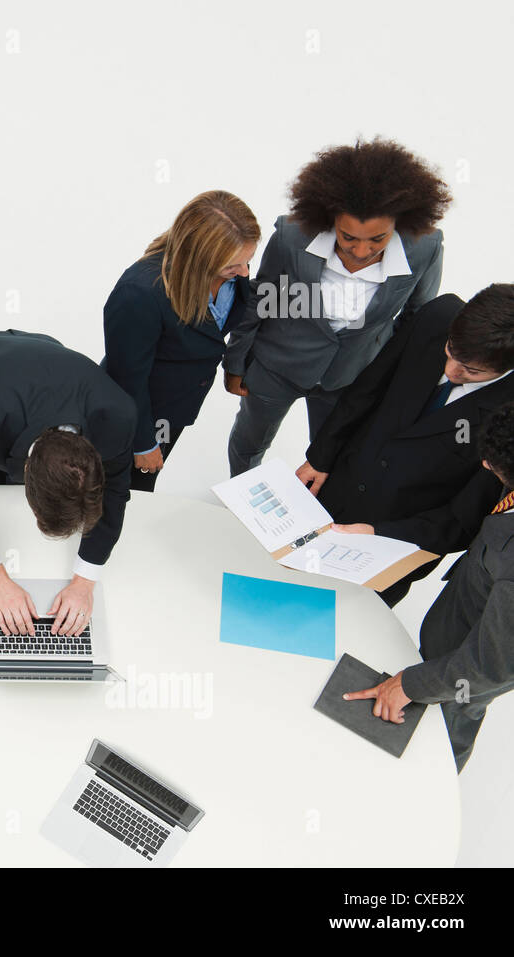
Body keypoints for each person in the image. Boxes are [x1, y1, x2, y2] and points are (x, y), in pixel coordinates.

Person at [225, 138, 452, 475]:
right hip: (276, 367)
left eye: (377, 239)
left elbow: (417, 321)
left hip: (351, 377)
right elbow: (261, 298)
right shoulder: (292, 236)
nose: (361, 252)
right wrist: (235, 362)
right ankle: (240, 495)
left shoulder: (424, 248)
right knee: (250, 441)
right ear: (331, 220)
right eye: (348, 237)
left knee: (333, 456)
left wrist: (385, 378)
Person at [297, 286, 514, 605]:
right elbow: (368, 390)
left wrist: (380, 535)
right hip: (334, 490)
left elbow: (463, 517)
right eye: (450, 351)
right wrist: (320, 457)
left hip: (394, 544)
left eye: (471, 371)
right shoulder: (437, 317)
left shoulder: (508, 416)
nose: (450, 371)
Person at [0, 330, 135, 637]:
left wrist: (85, 583)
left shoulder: (118, 417)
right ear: (26, 470)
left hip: (48, 363)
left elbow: (115, 494)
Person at [346, 403, 514, 772]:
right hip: (462, 629)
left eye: (490, 462)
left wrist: (413, 684)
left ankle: (432, 784)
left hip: (465, 668)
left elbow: (492, 665)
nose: (484, 465)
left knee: (452, 722)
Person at [102, 190, 259, 491]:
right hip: (138, 417)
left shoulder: (233, 274)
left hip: (174, 408)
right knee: (125, 493)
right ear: (198, 257)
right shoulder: (140, 293)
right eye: (232, 266)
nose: (244, 273)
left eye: (248, 261)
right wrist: (143, 444)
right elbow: (127, 381)